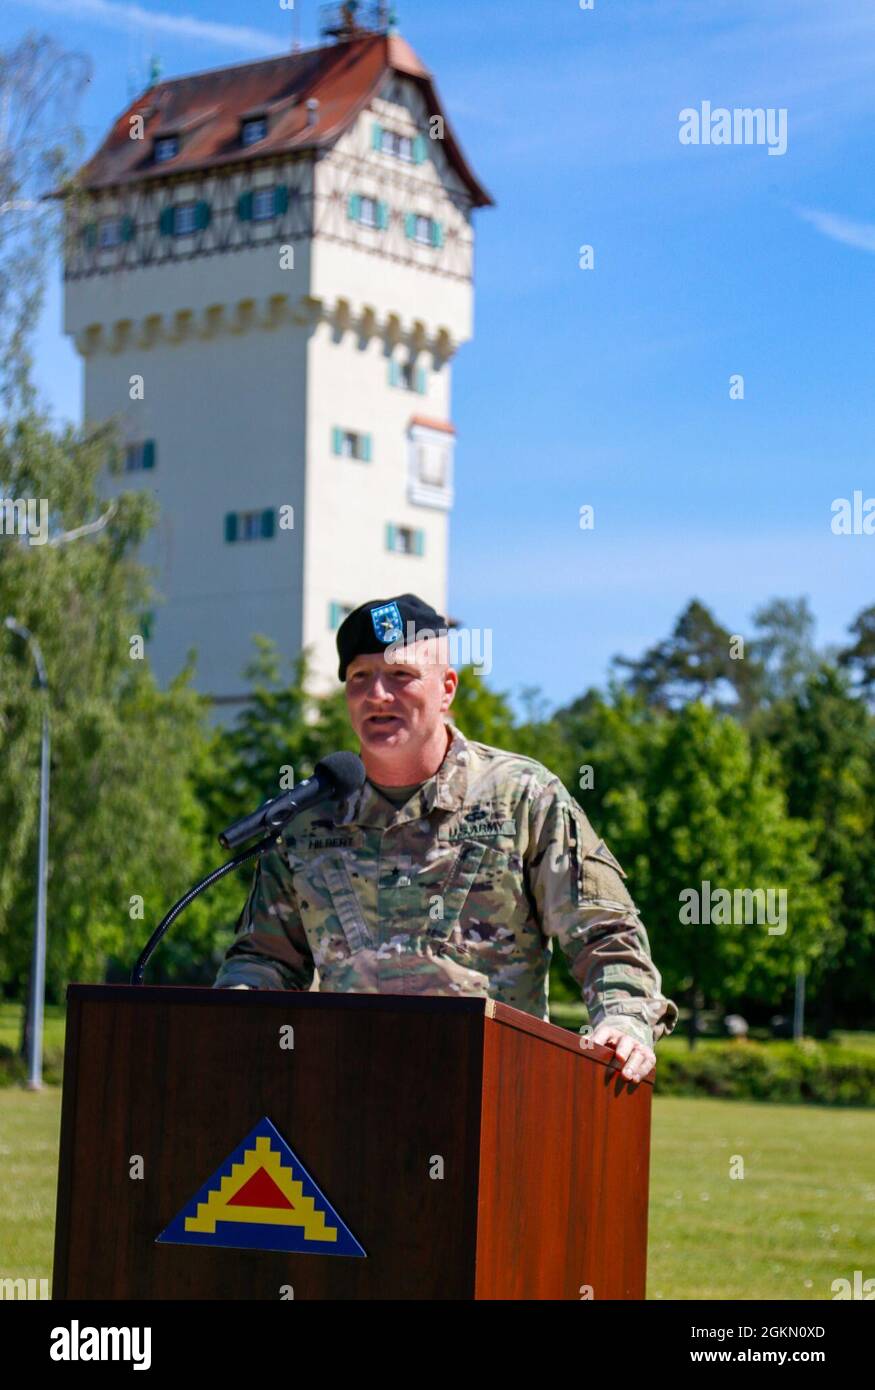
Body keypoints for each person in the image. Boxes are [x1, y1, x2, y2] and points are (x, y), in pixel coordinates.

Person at [214, 593, 679, 1083]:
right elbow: (266, 959)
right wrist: (236, 1008)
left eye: (401, 676)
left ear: (446, 690)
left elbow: (605, 933)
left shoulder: (520, 797)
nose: (377, 695)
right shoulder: (307, 823)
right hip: (344, 1096)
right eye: (359, 678)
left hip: (495, 1093)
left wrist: (622, 1019)